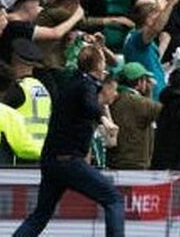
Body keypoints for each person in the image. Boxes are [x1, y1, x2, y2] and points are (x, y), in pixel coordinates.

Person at [14, 44, 124, 237]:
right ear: (97, 66)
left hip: (51, 161)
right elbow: (90, 105)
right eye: (103, 62)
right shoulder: (86, 85)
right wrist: (105, 119)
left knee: (40, 215)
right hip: (68, 160)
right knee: (113, 199)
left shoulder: (72, 82)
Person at [107, 62, 162, 170]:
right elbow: (164, 112)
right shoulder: (141, 103)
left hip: (114, 161)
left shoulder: (113, 99)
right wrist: (149, 92)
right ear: (139, 82)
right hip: (136, 163)